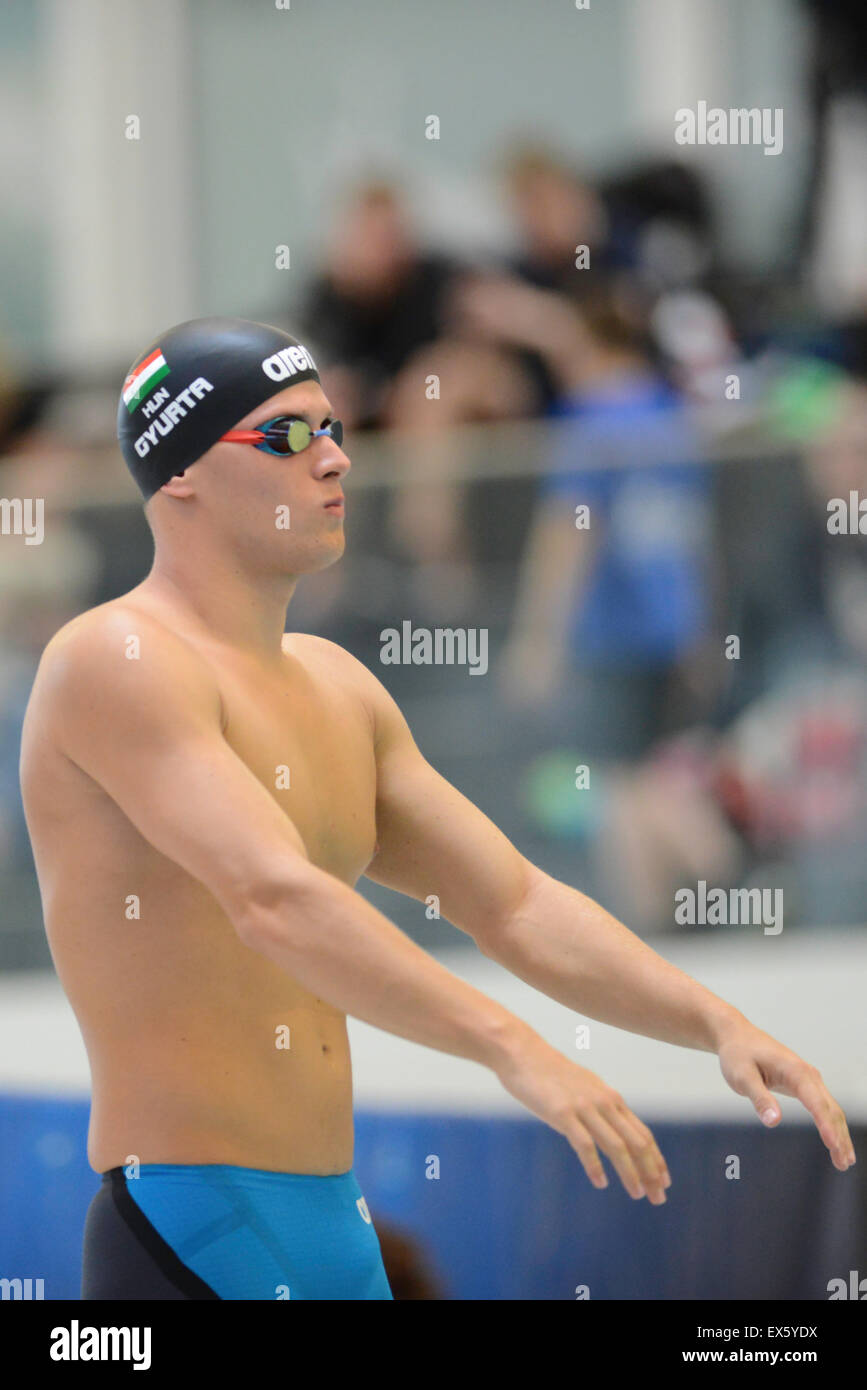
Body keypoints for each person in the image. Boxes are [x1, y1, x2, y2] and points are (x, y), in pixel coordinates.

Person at [19, 316, 855, 1302]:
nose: (333, 459)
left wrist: (716, 1023)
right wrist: (514, 1047)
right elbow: (273, 896)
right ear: (183, 472)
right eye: (288, 435)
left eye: (335, 427)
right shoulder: (113, 661)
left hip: (333, 1220)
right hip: (192, 1229)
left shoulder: (338, 689)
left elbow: (513, 903)